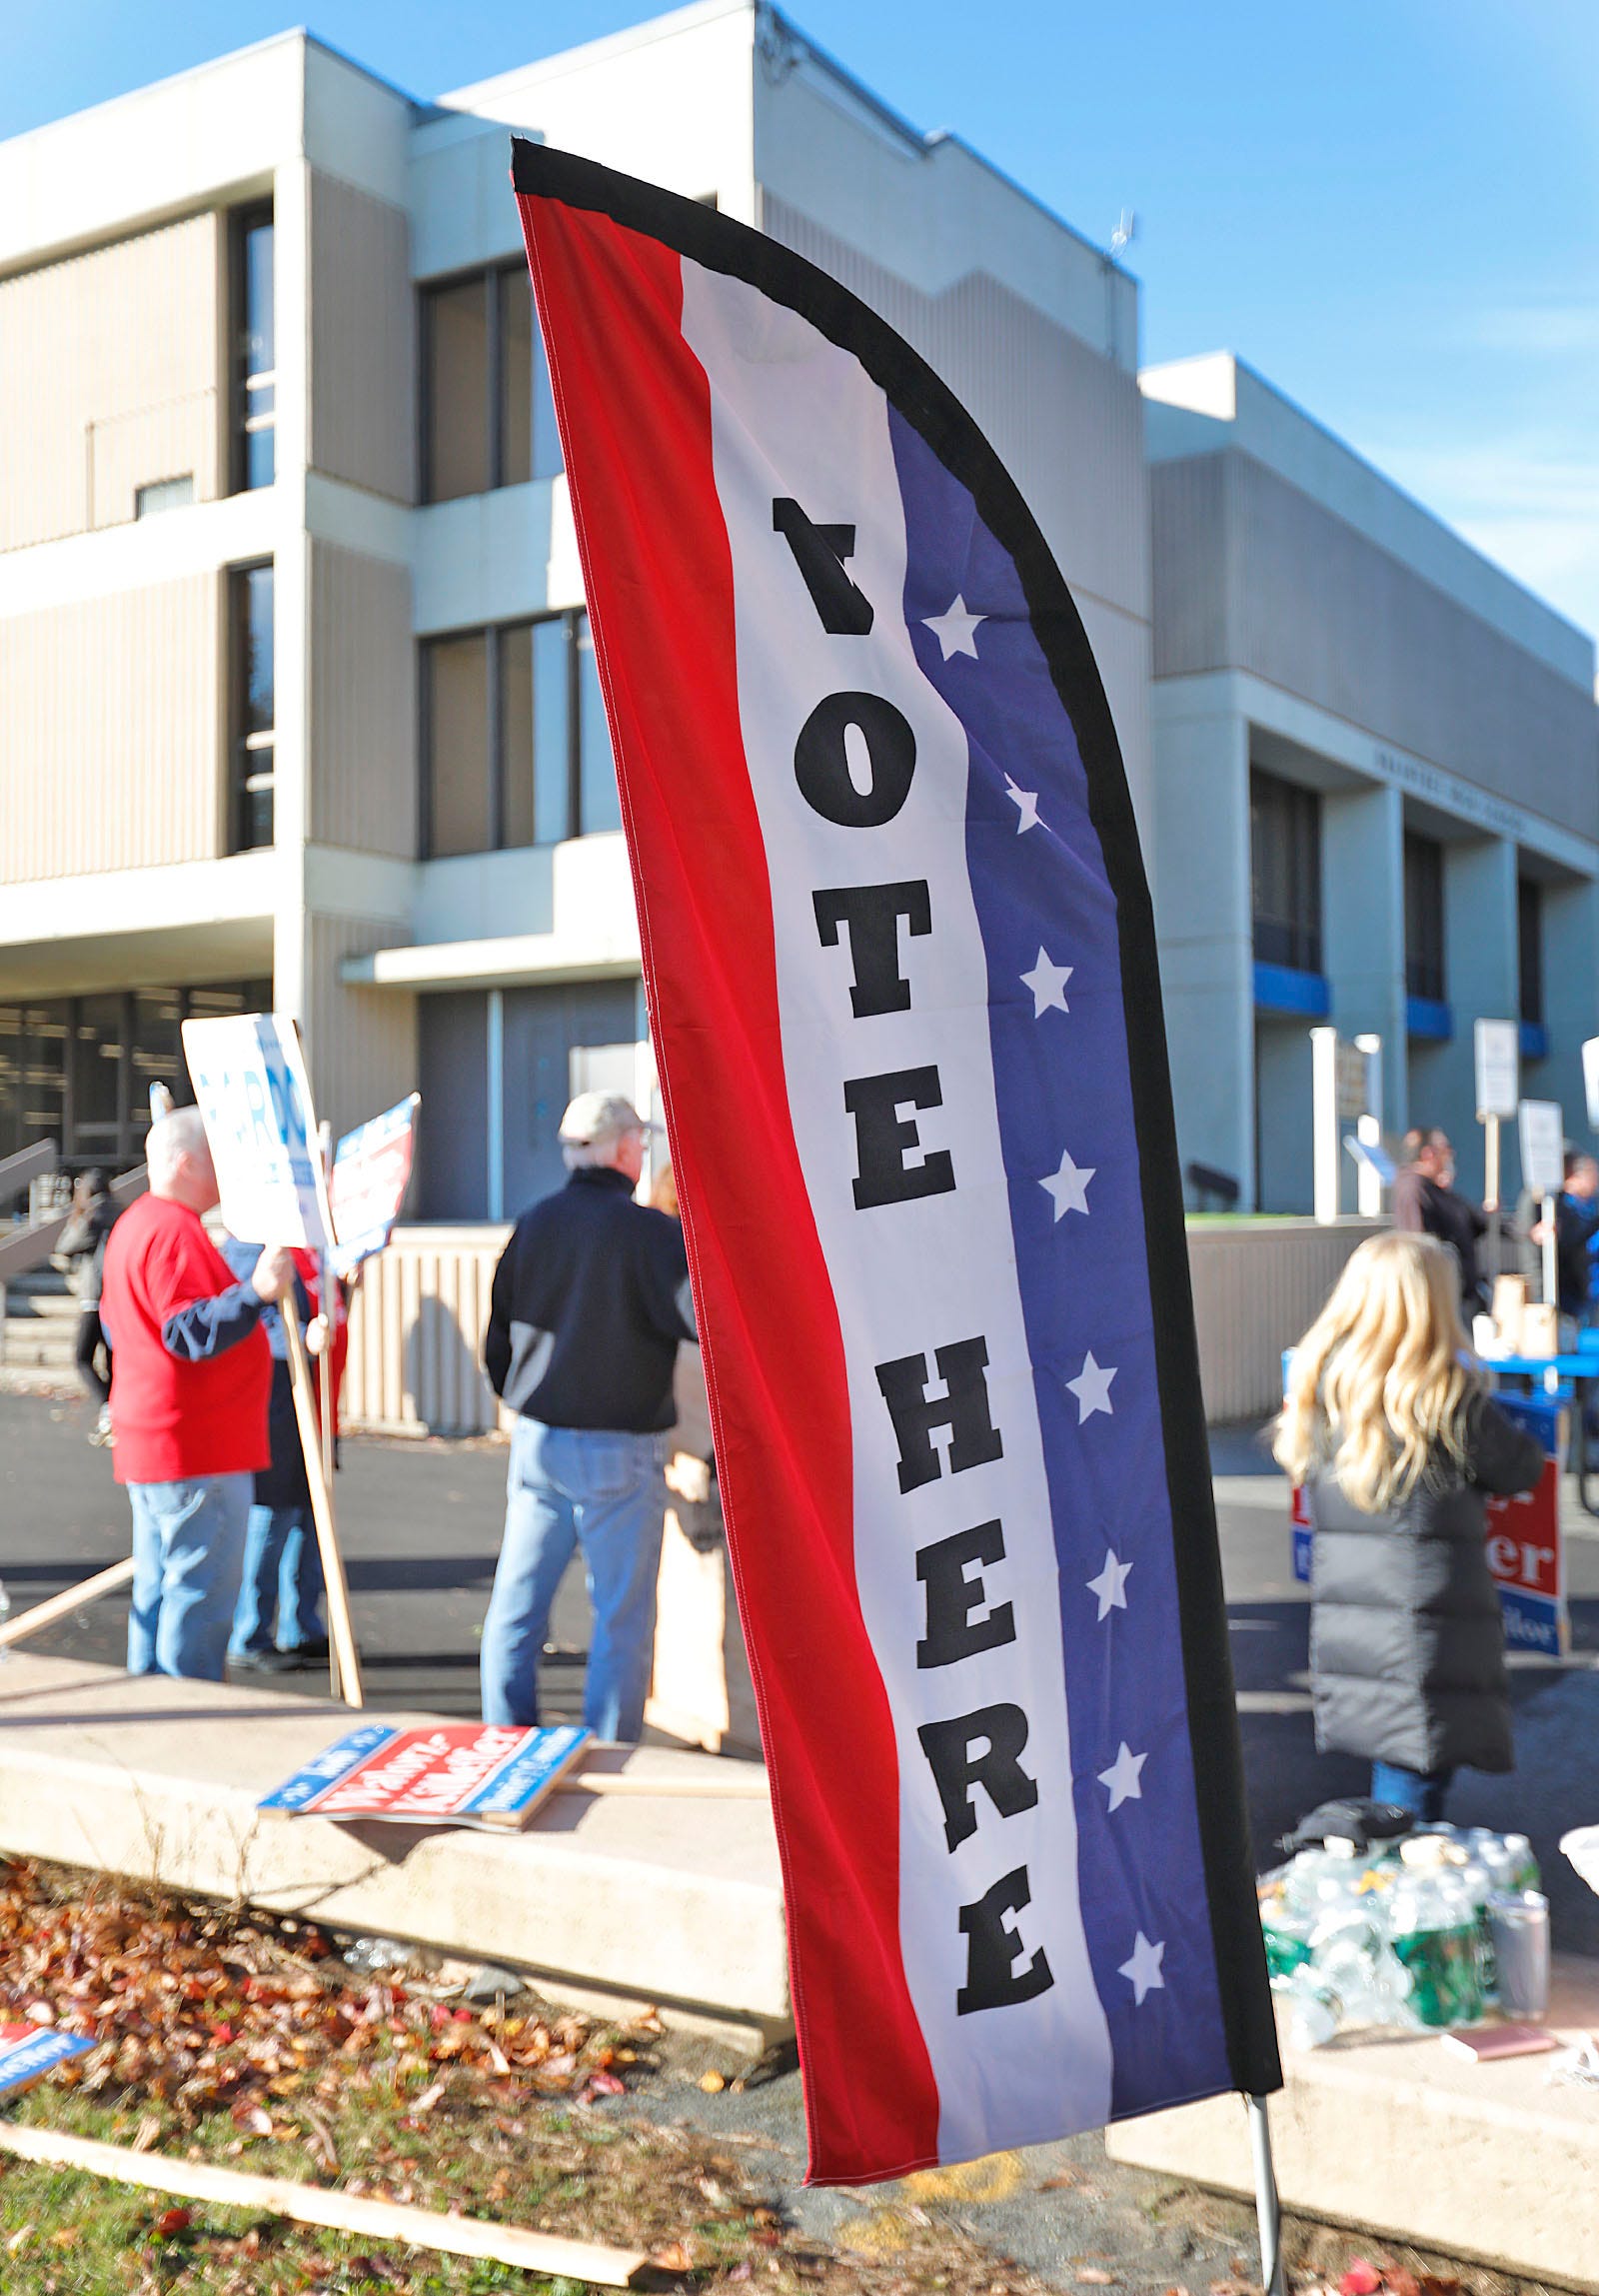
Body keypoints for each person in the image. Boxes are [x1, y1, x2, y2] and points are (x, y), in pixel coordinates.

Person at [1274, 1229, 1544, 1823]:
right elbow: (1519, 1467)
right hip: (1431, 1619)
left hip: (1354, 1615)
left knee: (1396, 1759)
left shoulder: (1322, 1383)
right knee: (1415, 1781)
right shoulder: (1444, 1395)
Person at [480, 1092, 697, 1740]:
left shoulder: (535, 1222)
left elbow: (498, 1338)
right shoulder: (651, 1234)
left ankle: (504, 1742)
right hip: (618, 1448)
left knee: (516, 1611)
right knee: (620, 1623)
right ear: (626, 1149)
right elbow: (703, 1321)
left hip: (539, 1439)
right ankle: (608, 1756)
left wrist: (522, 1397)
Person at [99, 1109, 295, 1681]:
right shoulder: (169, 1229)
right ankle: (189, 1715)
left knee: (164, 1584)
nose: (225, 1175)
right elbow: (186, 1331)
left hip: (165, 1439)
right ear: (186, 1163)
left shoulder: (139, 1223)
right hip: (196, 1445)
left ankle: (153, 1705)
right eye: (216, 1160)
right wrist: (256, 1292)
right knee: (199, 1593)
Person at [221, 1239, 333, 1674]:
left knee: (309, 1514)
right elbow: (245, 1320)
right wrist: (299, 1341)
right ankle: (249, 1633)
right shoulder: (250, 1248)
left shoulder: (303, 1246)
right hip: (271, 1406)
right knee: (273, 1517)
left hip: (306, 1401)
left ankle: (300, 1625)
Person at [1392, 1127, 1490, 1313]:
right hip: (1438, 1297)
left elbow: (1472, 1224)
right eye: (1445, 1149)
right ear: (1428, 1154)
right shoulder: (1414, 1189)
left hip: (1456, 1292)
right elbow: (1419, 1242)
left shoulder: (1433, 1190)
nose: (1450, 1155)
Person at [53, 1168, 119, 1444]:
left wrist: (76, 1215)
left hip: (94, 1297)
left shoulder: (92, 1215)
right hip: (118, 1297)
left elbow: (65, 1245)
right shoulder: (122, 1211)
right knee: (112, 1361)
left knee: (82, 1358)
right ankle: (115, 1414)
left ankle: (108, 1407)